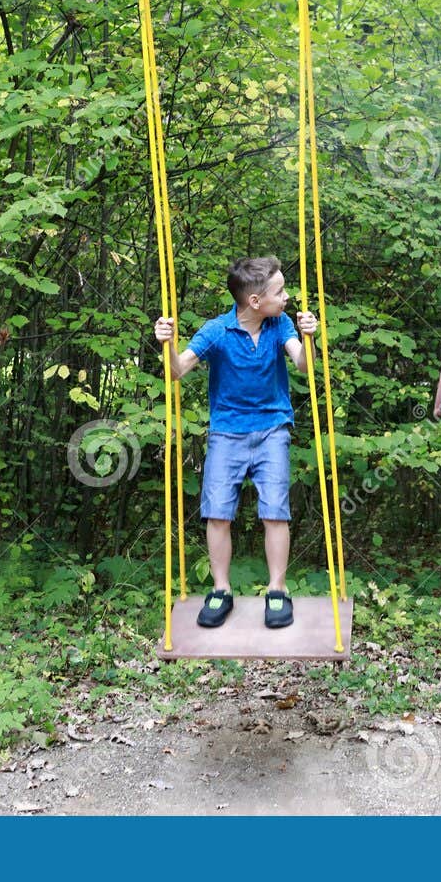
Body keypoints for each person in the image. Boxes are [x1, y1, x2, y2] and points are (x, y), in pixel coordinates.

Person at [152, 256, 319, 630]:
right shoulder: (216, 331)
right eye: (280, 291)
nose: (287, 296)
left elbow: (303, 366)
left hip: (272, 428)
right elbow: (177, 372)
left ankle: (277, 590)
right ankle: (221, 590)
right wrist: (166, 343)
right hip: (227, 432)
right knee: (217, 512)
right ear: (255, 302)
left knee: (276, 510)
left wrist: (309, 338)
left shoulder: (280, 325)